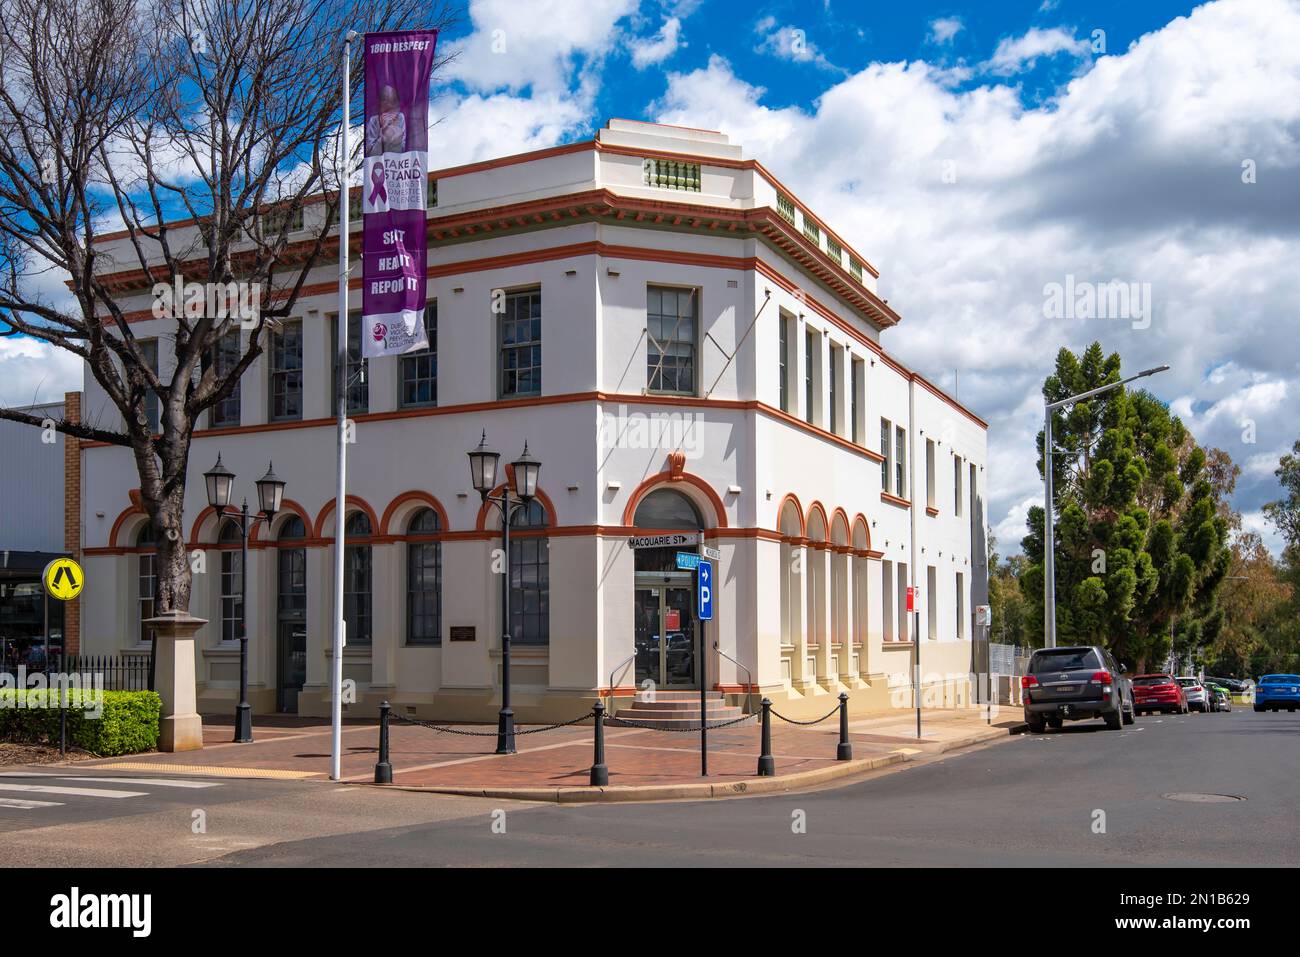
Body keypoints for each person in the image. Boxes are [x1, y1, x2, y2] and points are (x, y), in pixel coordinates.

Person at [365, 85, 406, 155]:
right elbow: (371, 152)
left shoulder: (400, 117)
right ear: (379, 102)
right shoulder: (374, 120)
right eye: (384, 99)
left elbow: (402, 148)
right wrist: (384, 133)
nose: (389, 104)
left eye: (393, 100)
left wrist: (393, 131)